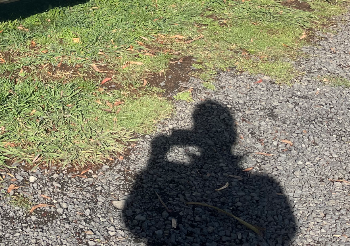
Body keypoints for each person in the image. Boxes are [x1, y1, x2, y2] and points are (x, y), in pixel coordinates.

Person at [122, 100, 297, 245]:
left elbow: (133, 219)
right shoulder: (266, 182)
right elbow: (289, 231)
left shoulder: (265, 183)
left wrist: (156, 153)